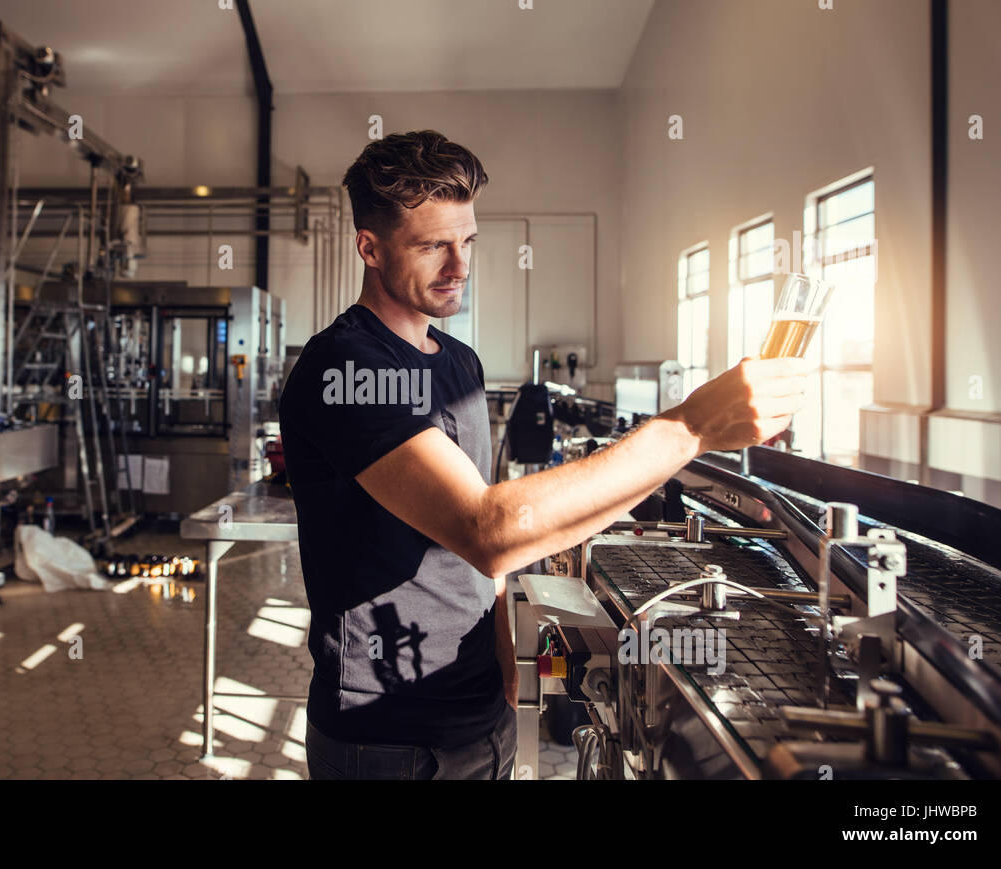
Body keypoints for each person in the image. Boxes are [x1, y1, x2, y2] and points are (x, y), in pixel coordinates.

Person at [278, 130, 809, 780]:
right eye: (433, 245)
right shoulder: (344, 367)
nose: (460, 265)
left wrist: (504, 640)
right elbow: (486, 528)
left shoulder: (460, 363)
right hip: (390, 735)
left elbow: (483, 543)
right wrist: (691, 426)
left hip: (482, 715)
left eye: (467, 240)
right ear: (369, 247)